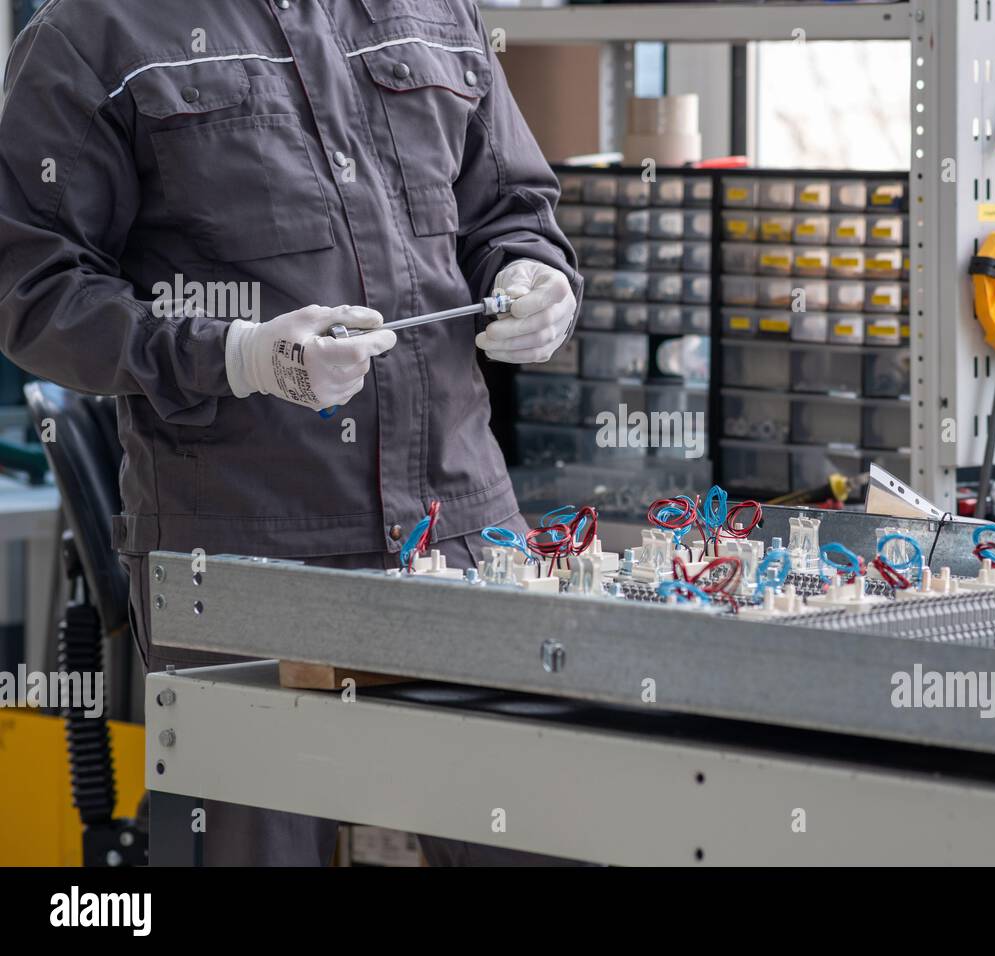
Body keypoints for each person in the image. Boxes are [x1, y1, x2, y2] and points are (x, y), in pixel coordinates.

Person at [0, 0, 582, 865]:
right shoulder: (97, 31)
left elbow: (509, 205)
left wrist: (537, 274)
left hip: (464, 528)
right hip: (241, 555)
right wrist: (233, 355)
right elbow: (27, 284)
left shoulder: (435, 10)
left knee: (532, 834)